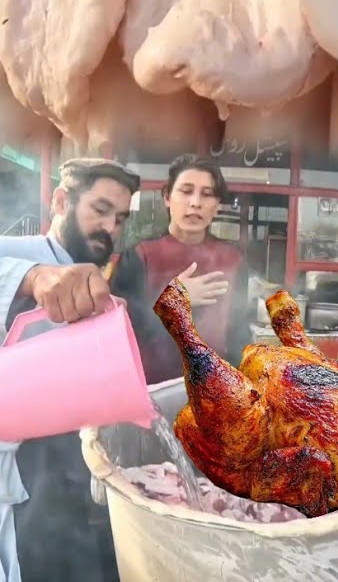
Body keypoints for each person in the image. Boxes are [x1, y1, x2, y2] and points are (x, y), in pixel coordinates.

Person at [0, 158, 141, 582]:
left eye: (119, 218)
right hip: (23, 478)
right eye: (100, 210)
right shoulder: (20, 253)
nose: (110, 228)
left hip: (66, 475)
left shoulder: (98, 276)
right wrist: (35, 277)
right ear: (60, 200)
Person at [111, 155, 248, 383]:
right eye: (186, 191)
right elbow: (117, 326)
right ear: (167, 197)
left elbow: (239, 333)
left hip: (214, 391)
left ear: (216, 205)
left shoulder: (233, 261)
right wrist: (173, 300)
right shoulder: (140, 255)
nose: (195, 202)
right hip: (152, 388)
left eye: (207, 194)